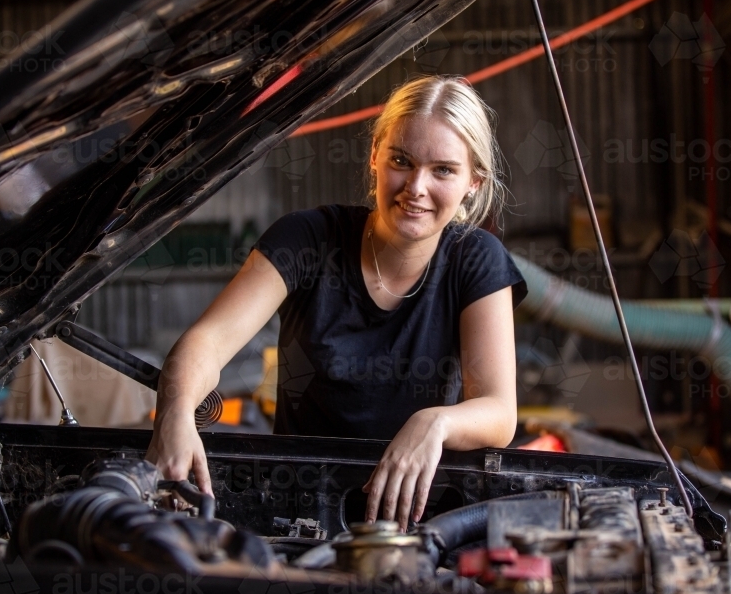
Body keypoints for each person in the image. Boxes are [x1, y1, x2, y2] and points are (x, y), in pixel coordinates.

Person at [146, 75, 527, 529]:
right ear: (374, 156)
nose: (416, 187)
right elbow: (208, 342)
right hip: (295, 512)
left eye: (443, 170)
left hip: (413, 518)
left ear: (473, 183)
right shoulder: (306, 239)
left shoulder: (476, 259)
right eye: (401, 161)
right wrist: (175, 412)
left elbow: (499, 411)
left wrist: (436, 423)